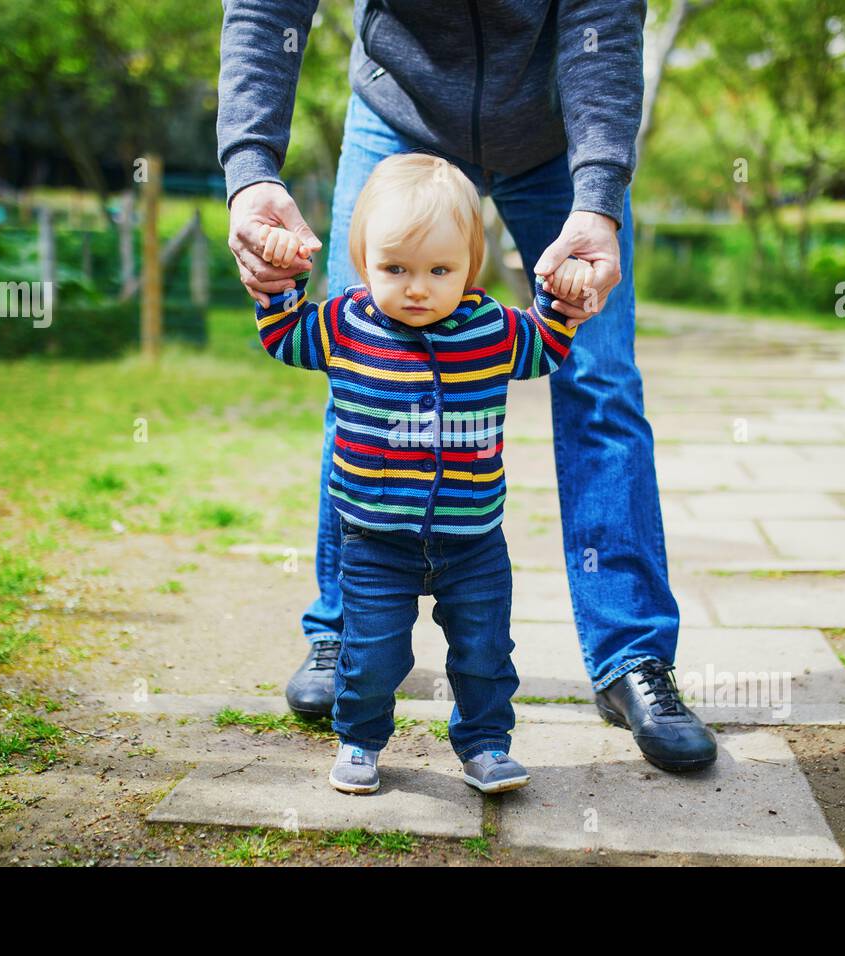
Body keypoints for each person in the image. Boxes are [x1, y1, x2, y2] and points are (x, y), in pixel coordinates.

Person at [217, 0, 718, 773]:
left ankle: (630, 659)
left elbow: (605, 21)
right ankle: (342, 632)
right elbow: (264, 7)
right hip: (400, 112)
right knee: (363, 364)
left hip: (556, 130)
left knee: (603, 381)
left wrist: (599, 196)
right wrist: (249, 172)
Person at [252, 153, 592, 794]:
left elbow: (545, 345)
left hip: (474, 541)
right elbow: (283, 337)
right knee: (374, 655)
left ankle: (487, 745)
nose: (417, 288)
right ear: (363, 262)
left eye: (440, 270)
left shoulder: (492, 328)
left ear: (471, 264)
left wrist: (564, 303)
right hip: (376, 541)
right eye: (395, 269)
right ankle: (359, 738)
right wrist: (277, 285)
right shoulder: (343, 324)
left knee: (485, 654)